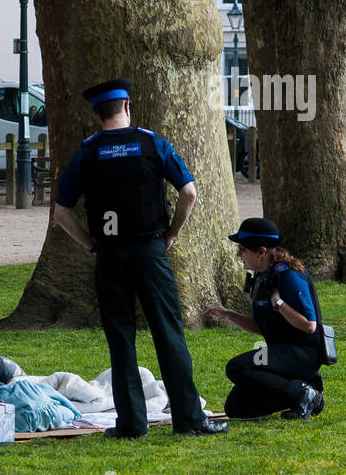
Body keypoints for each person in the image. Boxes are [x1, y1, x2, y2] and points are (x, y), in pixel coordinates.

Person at [53, 78, 227, 438]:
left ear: (95, 114)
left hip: (110, 257)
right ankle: (189, 419)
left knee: (120, 338)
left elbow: (60, 213)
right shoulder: (152, 144)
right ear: (128, 106)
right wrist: (173, 232)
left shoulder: (88, 153)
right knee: (169, 334)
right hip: (150, 252)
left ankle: (132, 424)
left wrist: (89, 244)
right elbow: (189, 193)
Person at [201, 218, 326, 421]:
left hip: (303, 354)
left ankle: (302, 392)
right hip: (280, 354)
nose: (239, 254)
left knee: (237, 367)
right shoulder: (262, 277)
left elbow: (309, 326)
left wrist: (278, 304)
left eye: (243, 249)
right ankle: (305, 389)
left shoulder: (290, 277)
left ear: (261, 252)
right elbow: (261, 327)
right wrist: (227, 314)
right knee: (236, 408)